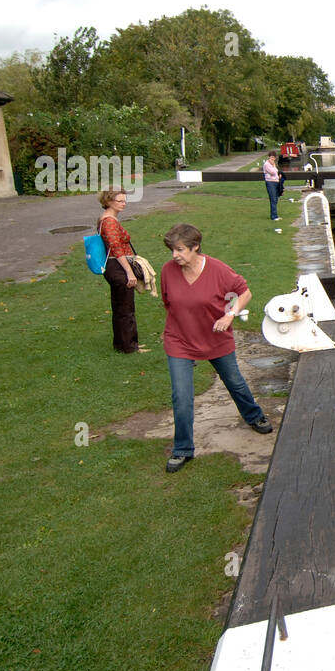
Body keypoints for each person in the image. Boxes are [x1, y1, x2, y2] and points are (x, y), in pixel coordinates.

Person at [159, 223, 273, 472]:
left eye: (180, 250)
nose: (174, 255)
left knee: (234, 382)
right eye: (172, 250)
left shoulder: (218, 270)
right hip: (180, 340)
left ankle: (254, 416)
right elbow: (168, 301)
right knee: (181, 396)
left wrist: (229, 316)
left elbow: (244, 292)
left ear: (195, 247)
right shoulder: (168, 271)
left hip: (215, 337)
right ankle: (182, 449)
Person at [96, 189, 147, 354]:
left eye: (125, 201)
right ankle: (130, 347)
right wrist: (129, 273)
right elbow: (116, 248)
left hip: (115, 266)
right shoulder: (109, 221)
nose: (123, 203)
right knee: (126, 308)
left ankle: (122, 344)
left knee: (120, 307)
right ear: (109, 201)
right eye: (120, 201)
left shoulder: (106, 219)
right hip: (117, 267)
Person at [262, 152, 281, 221]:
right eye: (271, 157)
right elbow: (273, 172)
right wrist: (273, 165)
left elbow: (276, 171)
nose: (272, 158)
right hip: (270, 183)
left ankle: (275, 215)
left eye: (274, 157)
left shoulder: (273, 164)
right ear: (269, 157)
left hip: (276, 182)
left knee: (276, 199)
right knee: (273, 199)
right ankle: (274, 216)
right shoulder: (266, 164)